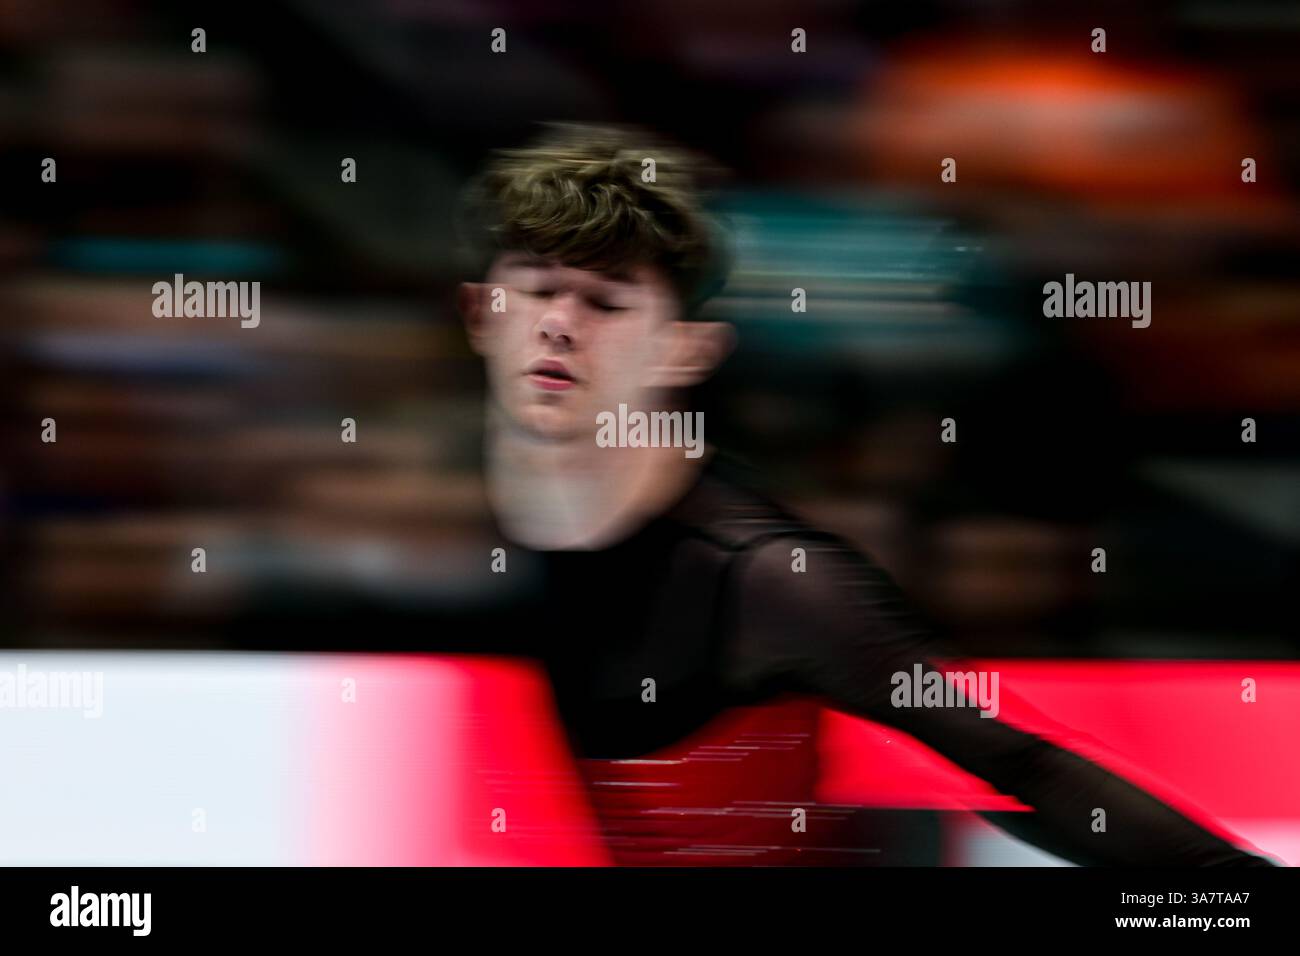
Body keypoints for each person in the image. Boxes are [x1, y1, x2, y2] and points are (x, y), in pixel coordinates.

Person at [453, 121, 1277, 866]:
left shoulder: (770, 580)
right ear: (480, 312)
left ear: (686, 351)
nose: (559, 323)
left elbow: (1019, 763)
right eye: (533, 289)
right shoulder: (425, 532)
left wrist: (1229, 896)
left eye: (604, 302)